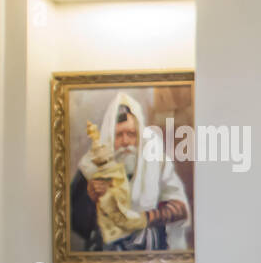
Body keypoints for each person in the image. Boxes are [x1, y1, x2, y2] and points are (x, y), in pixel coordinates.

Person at [70, 92, 192, 251]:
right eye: (119, 135)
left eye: (131, 134)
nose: (126, 142)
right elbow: (74, 220)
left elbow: (180, 208)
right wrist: (91, 198)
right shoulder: (90, 167)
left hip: (149, 254)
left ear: (140, 136)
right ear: (110, 137)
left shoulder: (157, 162)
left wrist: (145, 218)